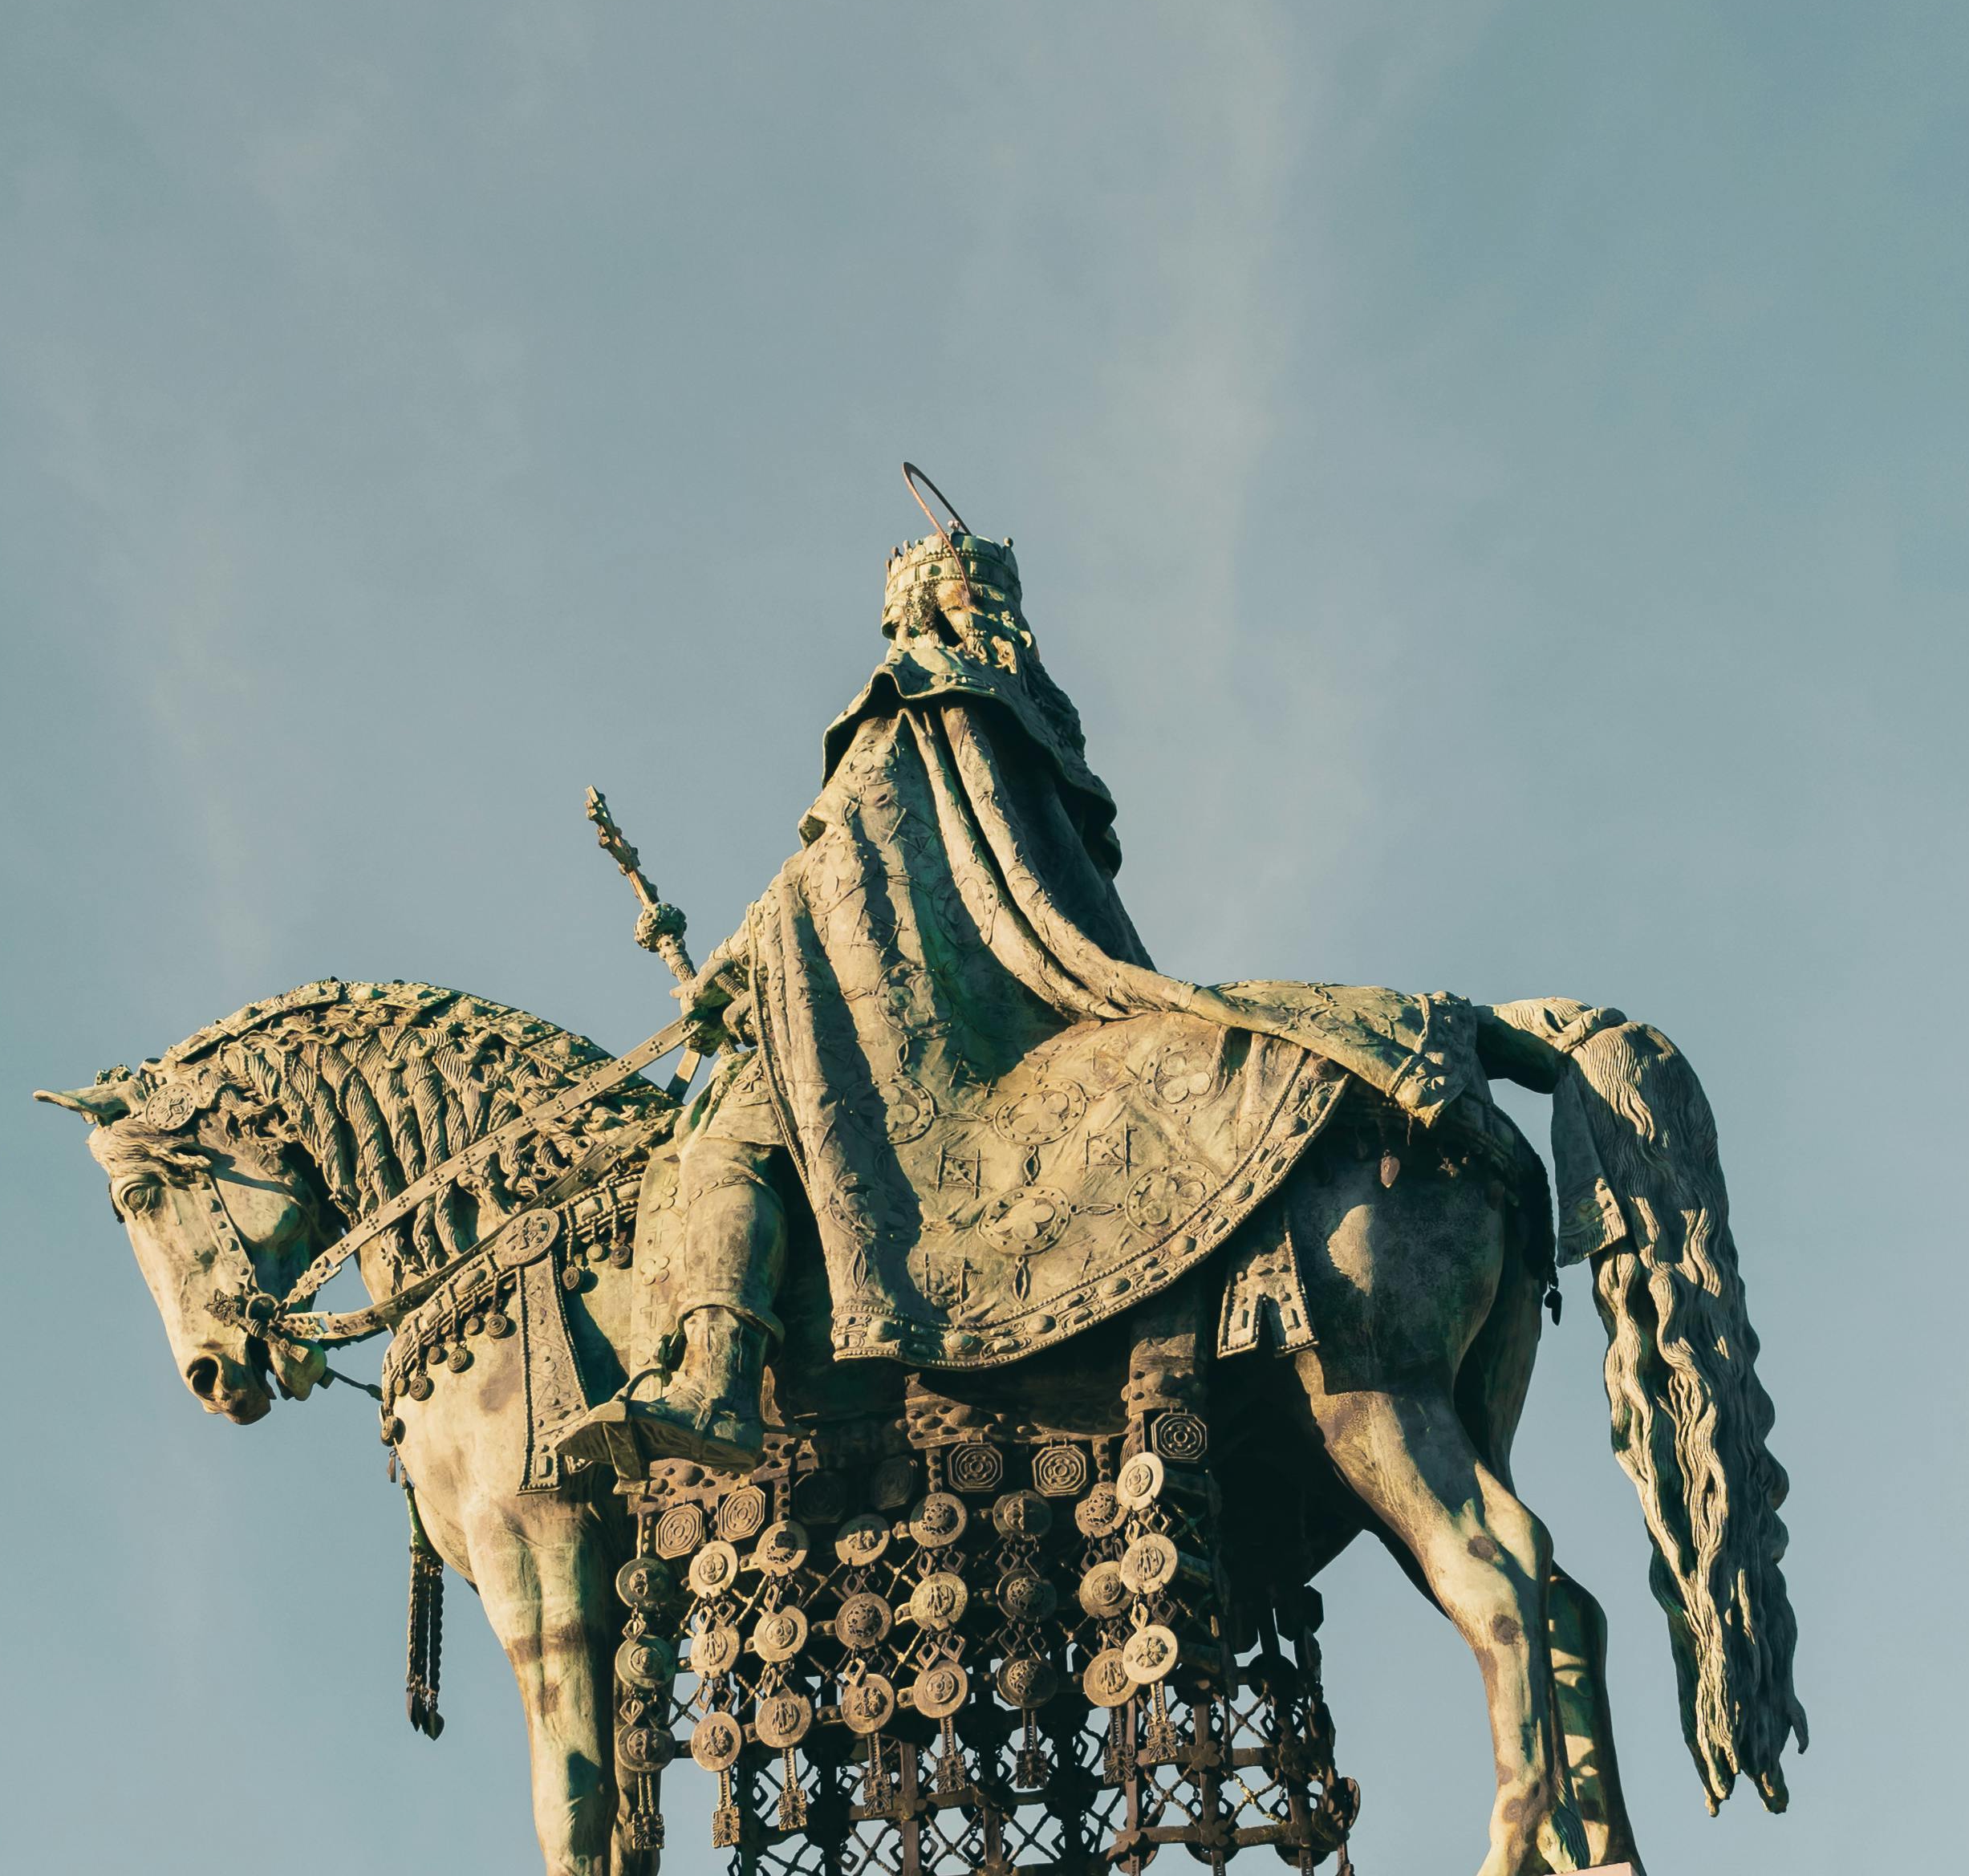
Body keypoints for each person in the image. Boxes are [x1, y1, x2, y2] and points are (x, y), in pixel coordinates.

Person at [566, 480, 1484, 1477]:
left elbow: (843, 865)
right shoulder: (1040, 727)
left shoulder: (909, 697)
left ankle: (718, 1373)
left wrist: (745, 962)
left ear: (910, 612)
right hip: (1038, 1001)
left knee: (728, 1140)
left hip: (908, 1027)